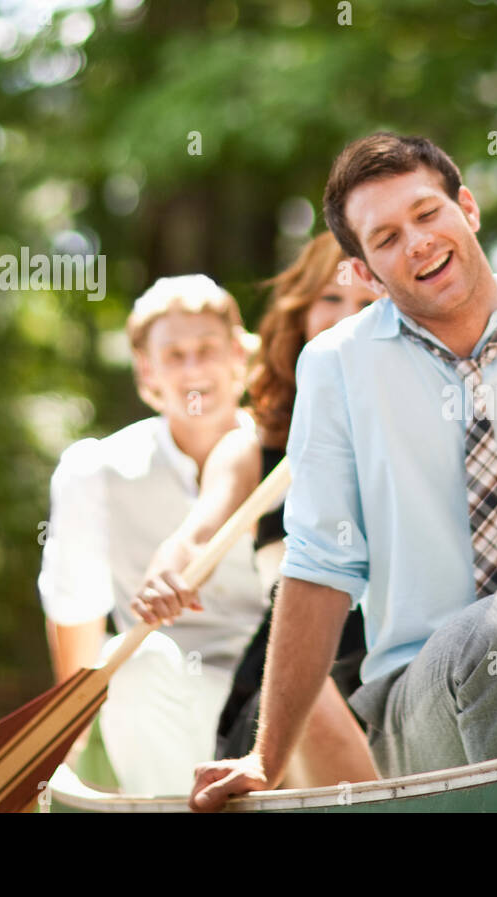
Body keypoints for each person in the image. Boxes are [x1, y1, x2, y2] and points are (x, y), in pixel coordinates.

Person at [187, 132, 497, 812]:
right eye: (384, 239)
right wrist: (266, 757)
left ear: (466, 208)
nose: (415, 242)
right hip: (421, 696)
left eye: (427, 213)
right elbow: (319, 568)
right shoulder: (338, 365)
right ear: (363, 272)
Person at [131, 232, 382, 787]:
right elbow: (196, 534)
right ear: (299, 315)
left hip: (396, 665)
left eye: (368, 304)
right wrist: (168, 569)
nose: (347, 319)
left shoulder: (426, 423)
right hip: (297, 687)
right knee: (308, 693)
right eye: (331, 300)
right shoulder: (254, 446)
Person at [38, 275, 269, 795]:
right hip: (165, 698)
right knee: (134, 658)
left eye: (207, 349)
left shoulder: (290, 452)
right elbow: (75, 607)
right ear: (148, 372)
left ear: (238, 355)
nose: (193, 369)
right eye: (175, 355)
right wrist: (64, 743)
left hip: (280, 694)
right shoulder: (95, 469)